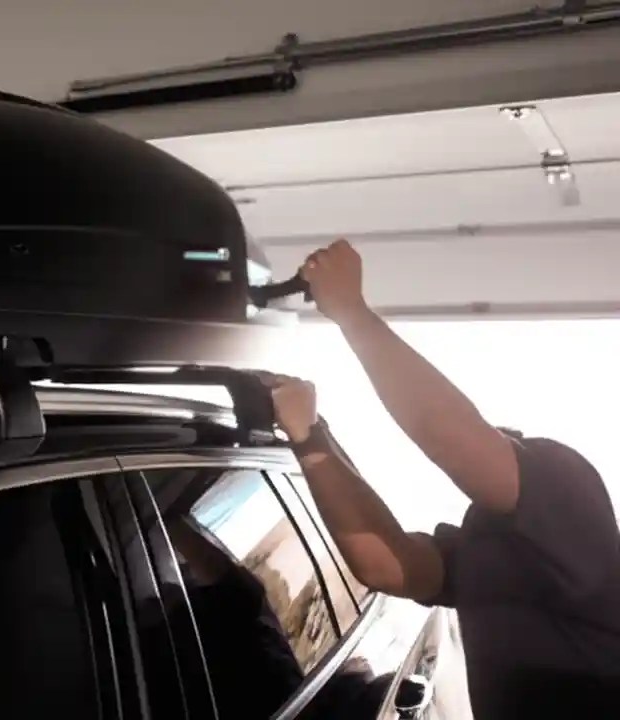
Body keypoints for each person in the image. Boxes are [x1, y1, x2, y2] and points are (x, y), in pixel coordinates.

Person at [265, 240, 620, 719]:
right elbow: (388, 564)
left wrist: (351, 311)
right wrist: (309, 438)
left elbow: (445, 433)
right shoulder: (494, 552)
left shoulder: (570, 492)